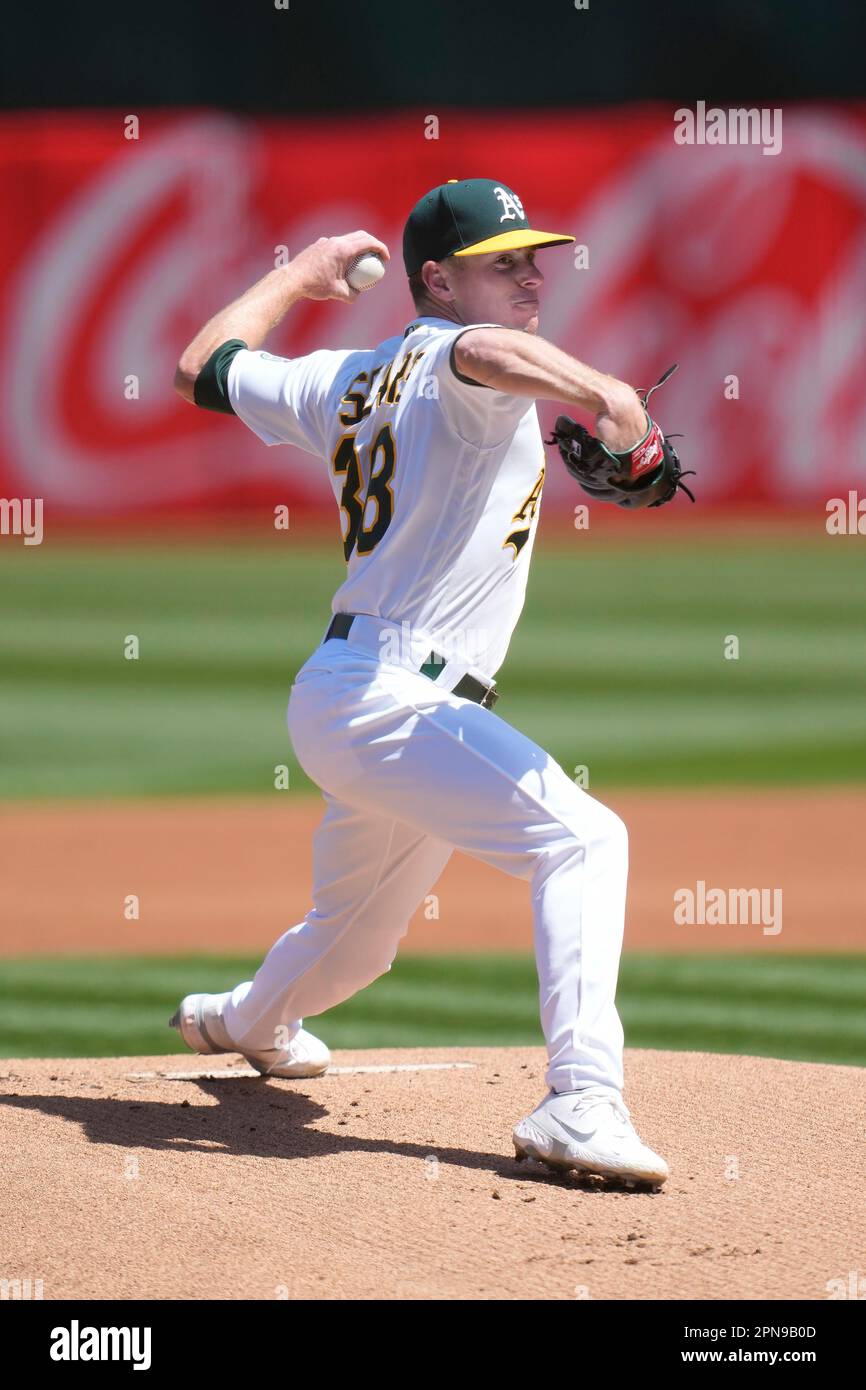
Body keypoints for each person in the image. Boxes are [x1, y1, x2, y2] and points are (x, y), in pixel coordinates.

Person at [171, 178, 669, 1186]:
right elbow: (474, 352)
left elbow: (202, 368)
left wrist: (297, 276)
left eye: (534, 254)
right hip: (393, 693)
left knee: (352, 945)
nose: (530, 271)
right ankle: (582, 1101)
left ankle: (241, 1020)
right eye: (503, 260)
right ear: (436, 279)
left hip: (358, 696)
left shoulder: (339, 377)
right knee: (583, 837)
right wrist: (607, 397)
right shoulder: (459, 356)